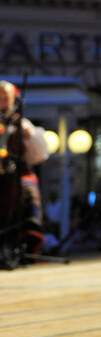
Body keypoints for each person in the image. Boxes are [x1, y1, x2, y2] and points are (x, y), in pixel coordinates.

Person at [0, 80, 49, 259]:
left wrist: (28, 136)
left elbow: (39, 155)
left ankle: (26, 240)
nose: (3, 102)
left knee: (28, 189)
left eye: (6, 98)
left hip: (18, 172)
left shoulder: (21, 123)